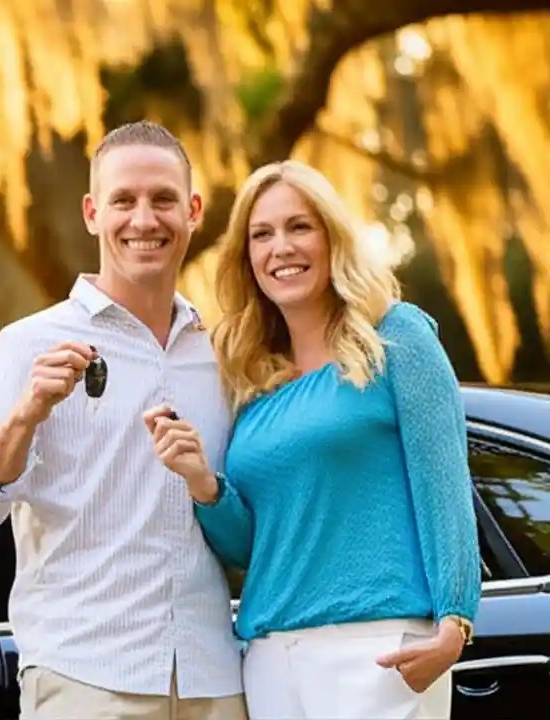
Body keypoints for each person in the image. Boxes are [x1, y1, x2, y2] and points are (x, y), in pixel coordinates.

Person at [145, 159, 481, 719]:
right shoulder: (253, 380)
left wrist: (456, 619)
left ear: (332, 238)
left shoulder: (397, 337)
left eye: (299, 226)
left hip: (377, 648)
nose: (281, 248)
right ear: (247, 258)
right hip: (271, 657)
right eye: (261, 235)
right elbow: (253, 549)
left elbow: (444, 485)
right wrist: (204, 485)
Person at [0, 120, 246, 720]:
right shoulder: (29, 344)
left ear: (194, 211)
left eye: (163, 200)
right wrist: (25, 415)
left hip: (213, 679)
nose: (144, 220)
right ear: (92, 213)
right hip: (86, 680)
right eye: (123, 200)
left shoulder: (223, 354)